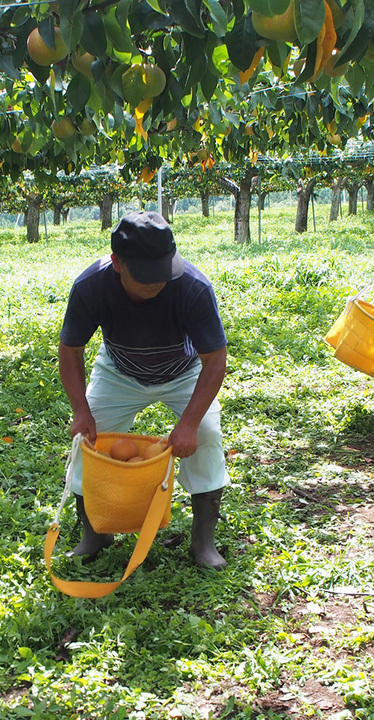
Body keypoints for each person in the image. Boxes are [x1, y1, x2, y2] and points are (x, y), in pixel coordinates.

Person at [58, 210, 230, 570]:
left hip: (184, 372)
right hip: (119, 371)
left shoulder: (193, 287)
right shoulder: (91, 286)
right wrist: (81, 412)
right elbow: (70, 350)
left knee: (206, 434)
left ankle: (203, 541)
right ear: (117, 263)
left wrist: (189, 424)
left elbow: (215, 360)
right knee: (88, 442)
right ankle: (95, 533)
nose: (157, 283)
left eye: (163, 272)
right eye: (146, 275)